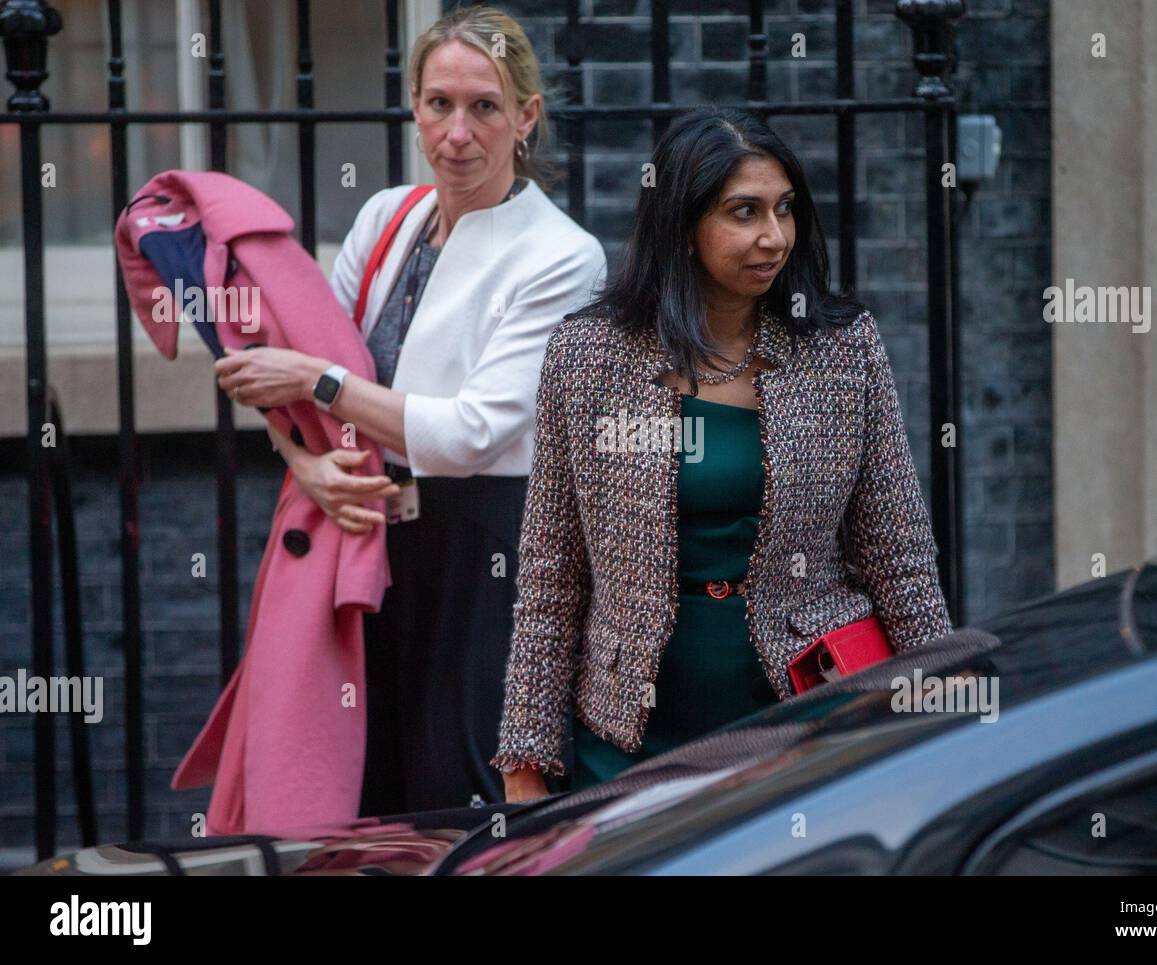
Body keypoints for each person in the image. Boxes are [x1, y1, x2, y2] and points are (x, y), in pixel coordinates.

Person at [490, 107, 954, 801]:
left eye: (785, 210)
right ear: (682, 226)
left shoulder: (840, 348)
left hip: (804, 718)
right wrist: (524, 764)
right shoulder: (588, 357)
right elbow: (553, 576)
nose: (774, 237)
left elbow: (899, 554)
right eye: (745, 212)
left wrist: (945, 698)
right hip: (628, 740)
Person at [214, 5, 606, 814]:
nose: (457, 133)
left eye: (484, 107)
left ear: (526, 117)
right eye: (438, 104)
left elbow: (470, 431)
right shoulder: (384, 215)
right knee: (356, 791)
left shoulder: (562, 256)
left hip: (483, 549)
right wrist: (307, 463)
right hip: (364, 539)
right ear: (416, 107)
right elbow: (295, 382)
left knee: (461, 792)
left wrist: (317, 380)